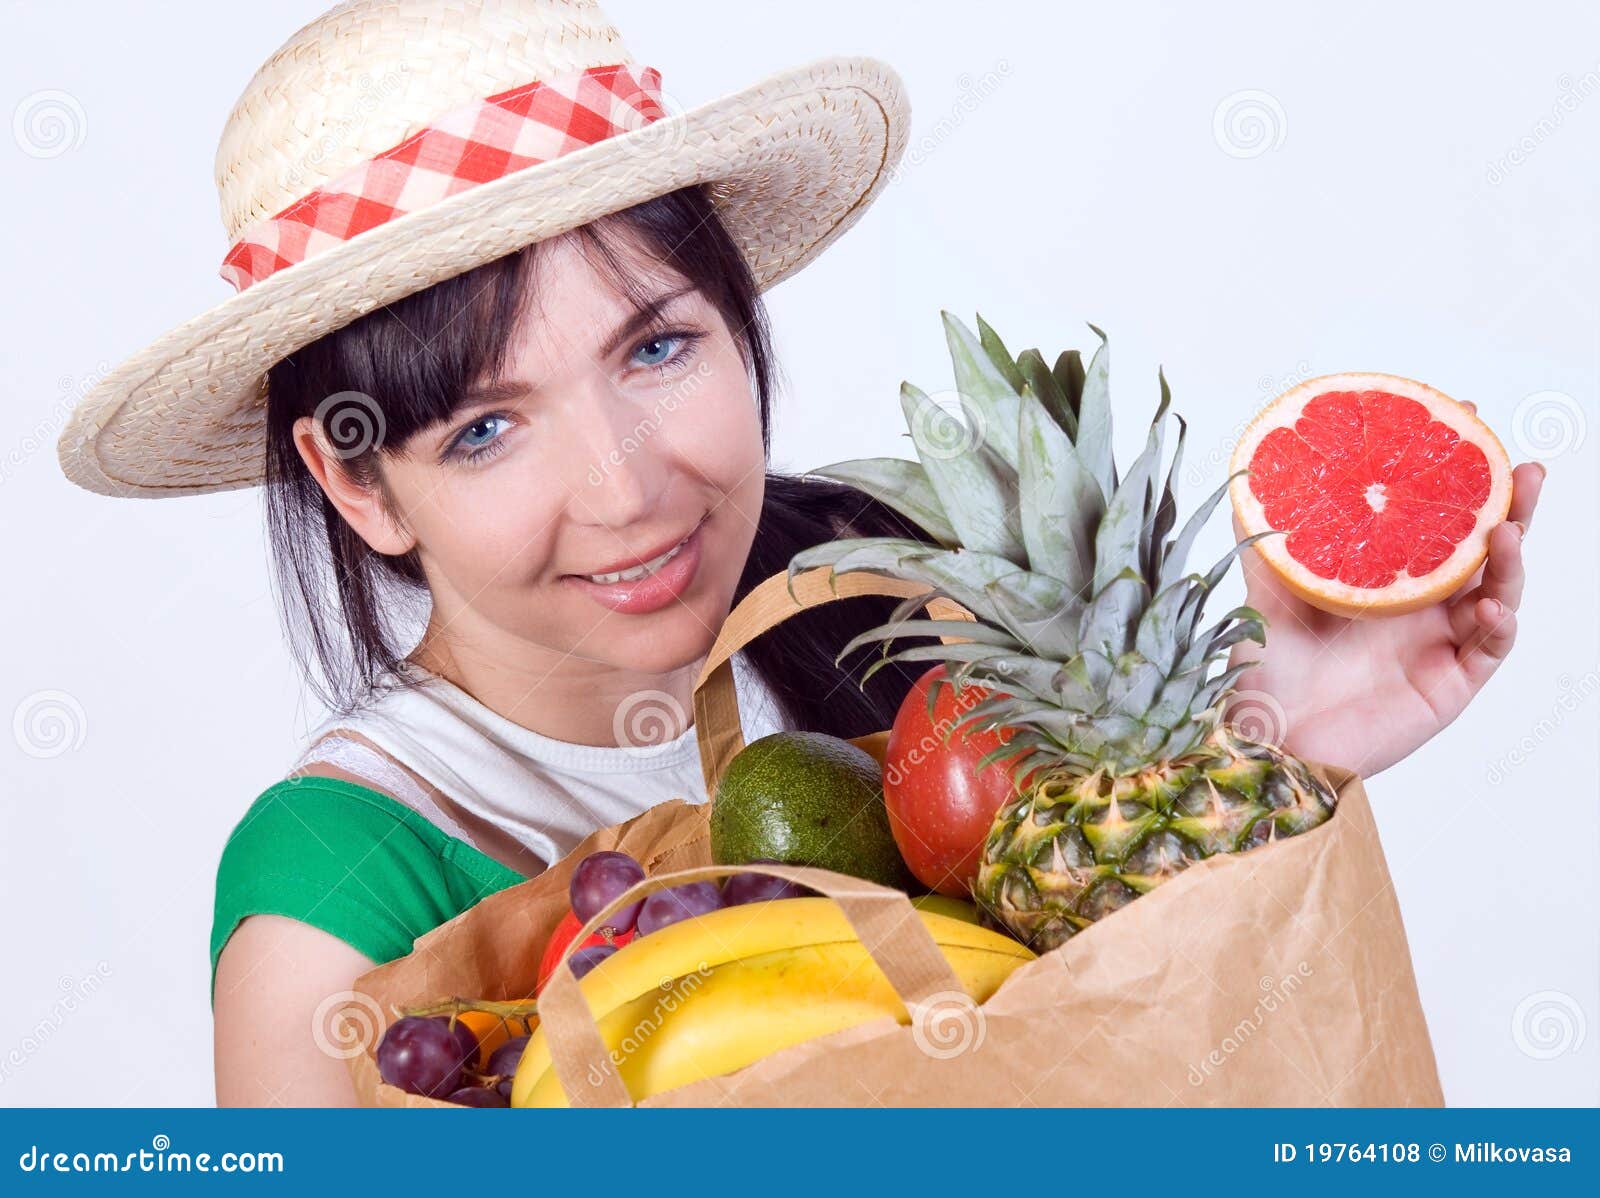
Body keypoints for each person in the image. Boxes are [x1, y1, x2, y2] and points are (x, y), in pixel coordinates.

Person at [55, 1, 1541, 1107]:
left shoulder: (891, 593)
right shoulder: (330, 905)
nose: (627, 488)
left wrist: (1271, 741)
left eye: (656, 347)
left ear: (739, 316)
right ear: (357, 480)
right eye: (487, 429)